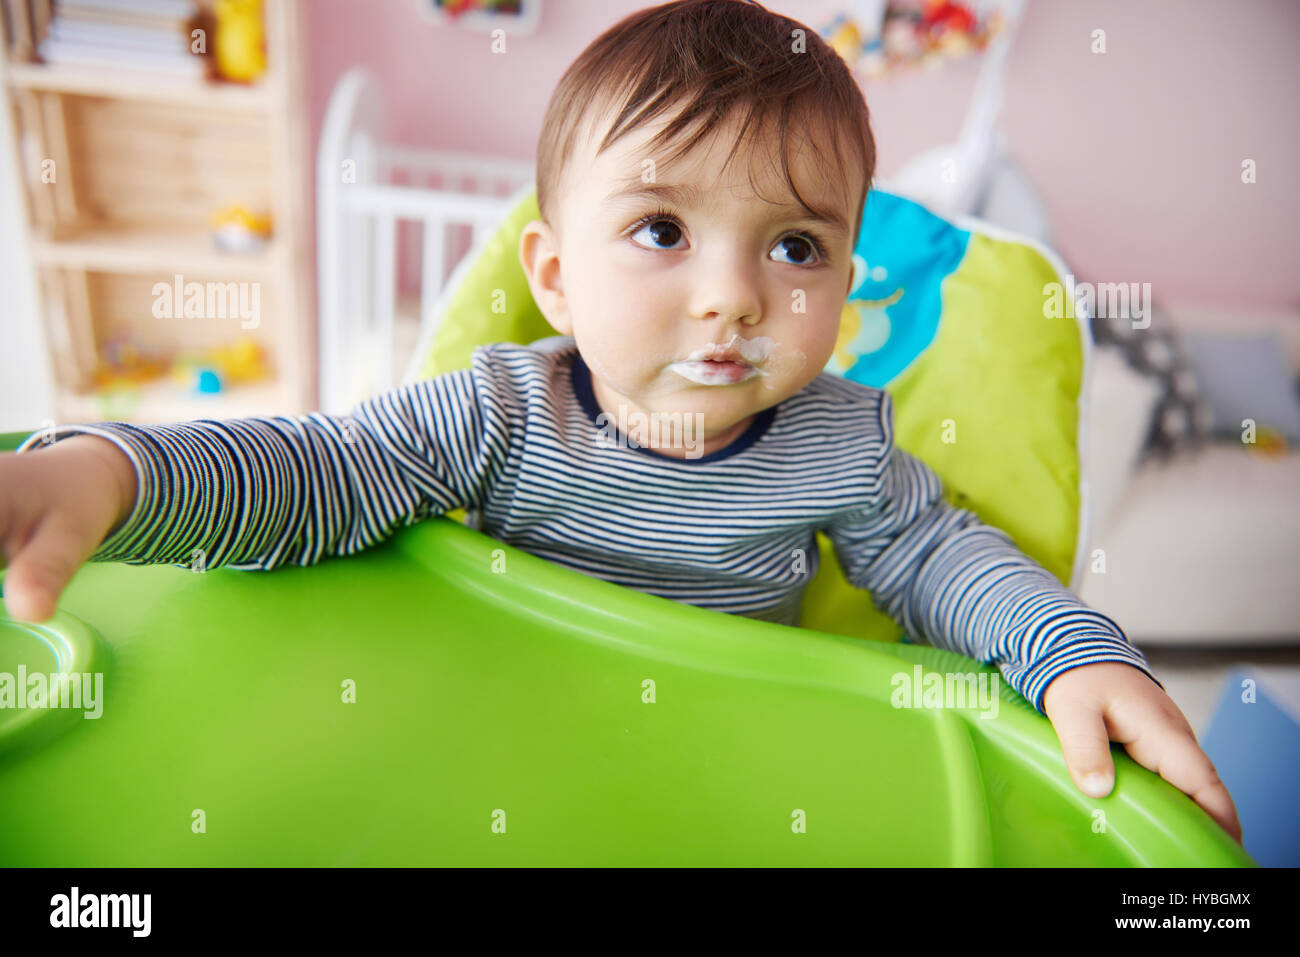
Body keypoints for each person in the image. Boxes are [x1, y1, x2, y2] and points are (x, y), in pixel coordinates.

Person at [0, 0, 1241, 844]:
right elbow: (315, 470)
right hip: (490, 759)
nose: (730, 294)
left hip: (719, 786)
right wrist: (117, 472)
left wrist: (1072, 651)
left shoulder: (841, 447)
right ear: (551, 274)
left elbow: (949, 564)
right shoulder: (498, 413)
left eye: (796, 246)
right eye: (661, 230)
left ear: (847, 278)